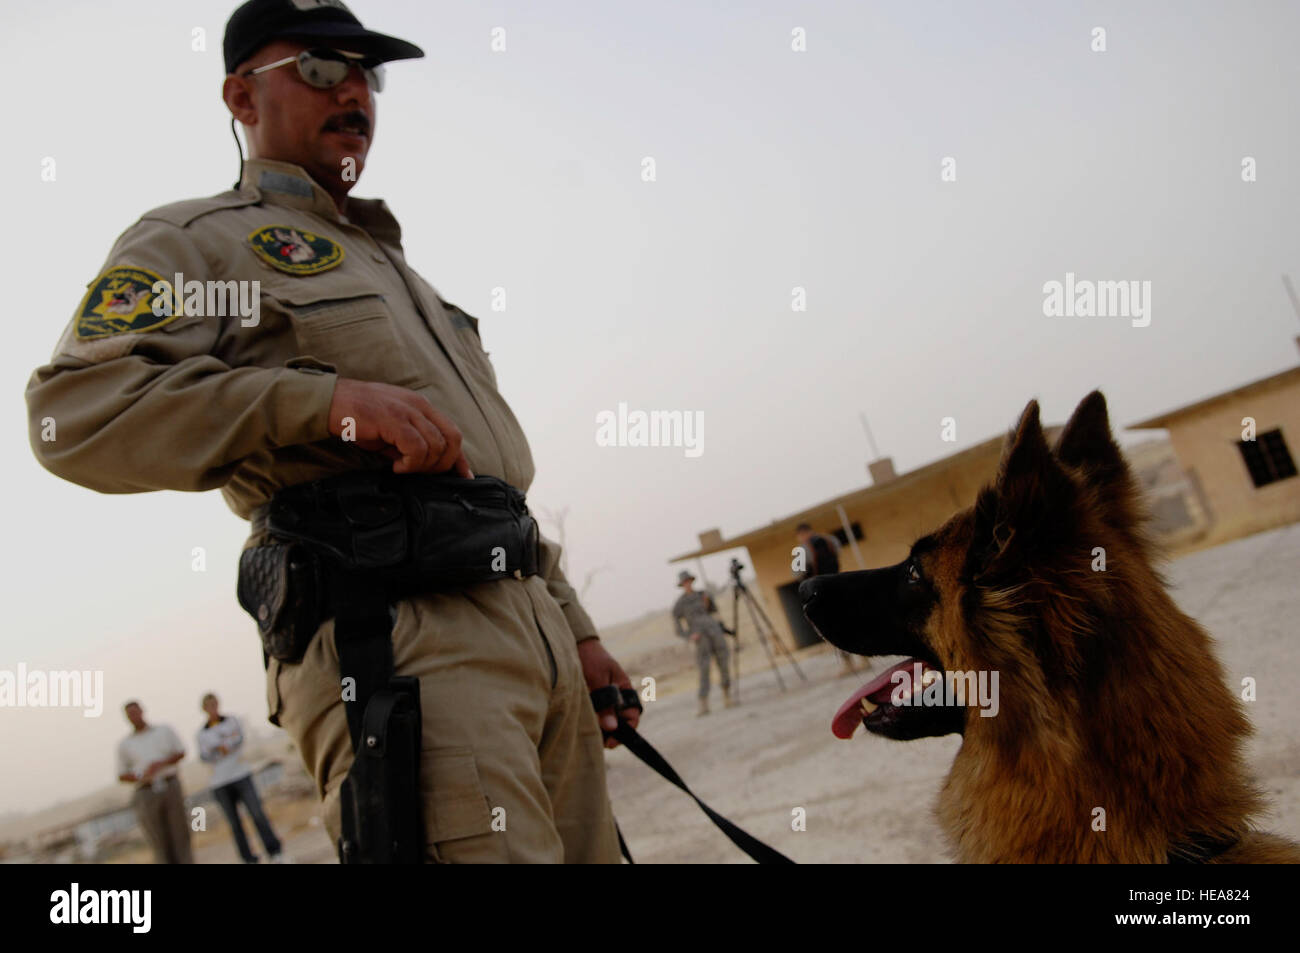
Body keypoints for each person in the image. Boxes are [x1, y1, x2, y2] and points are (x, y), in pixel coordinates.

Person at [27, 0, 636, 863]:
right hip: (398, 640)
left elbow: (493, 485)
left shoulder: (396, 267)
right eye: (318, 68)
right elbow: (73, 413)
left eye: (367, 72)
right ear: (242, 98)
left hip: (529, 627)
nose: (352, 89)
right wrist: (319, 402)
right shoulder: (198, 244)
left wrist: (574, 628)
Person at [198, 692, 286, 863]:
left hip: (240, 774)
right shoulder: (202, 734)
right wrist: (221, 748)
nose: (212, 708)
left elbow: (237, 740)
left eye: (214, 703)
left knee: (257, 814)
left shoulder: (232, 721)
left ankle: (275, 852)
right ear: (204, 709)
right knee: (235, 824)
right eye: (208, 705)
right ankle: (248, 858)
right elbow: (205, 755)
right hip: (220, 781)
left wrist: (222, 747)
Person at [116, 701, 193, 864]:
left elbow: (180, 752)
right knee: (157, 838)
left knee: (180, 832)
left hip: (170, 784)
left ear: (142, 711)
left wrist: (161, 764)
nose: (134, 716)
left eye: (135, 712)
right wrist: (141, 775)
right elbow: (122, 774)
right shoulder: (125, 745)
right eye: (130, 714)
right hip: (146, 791)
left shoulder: (163, 731)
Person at [795, 523, 858, 675]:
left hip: (821, 591)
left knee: (834, 628)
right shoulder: (830, 540)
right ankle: (864, 659)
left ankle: (848, 663)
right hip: (838, 584)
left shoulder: (803, 550)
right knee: (851, 623)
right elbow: (838, 554)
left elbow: (797, 573)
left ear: (801, 534)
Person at [672, 571, 733, 716]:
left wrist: (721, 627)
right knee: (704, 669)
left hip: (714, 632)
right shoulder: (681, 603)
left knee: (723, 662)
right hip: (700, 637)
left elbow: (715, 612)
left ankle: (727, 695)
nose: (688, 584)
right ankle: (703, 703)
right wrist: (689, 635)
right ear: (682, 585)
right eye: (685, 582)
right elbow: (677, 624)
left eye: (689, 581)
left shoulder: (703, 595)